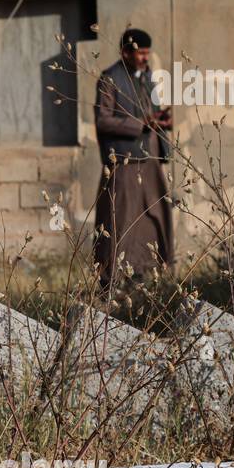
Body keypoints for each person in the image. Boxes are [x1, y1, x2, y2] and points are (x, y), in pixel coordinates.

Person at [92, 27, 175, 290]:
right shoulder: (109, 79)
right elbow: (103, 120)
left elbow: (152, 112)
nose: (144, 58)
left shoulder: (147, 76)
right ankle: (110, 280)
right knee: (119, 219)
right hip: (125, 161)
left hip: (149, 158)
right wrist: (139, 124)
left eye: (147, 54)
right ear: (125, 52)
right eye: (140, 53)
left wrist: (163, 120)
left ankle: (145, 274)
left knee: (156, 215)